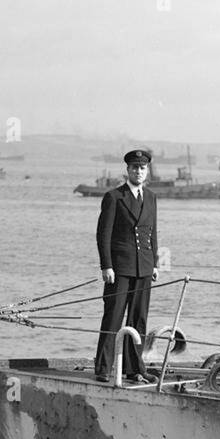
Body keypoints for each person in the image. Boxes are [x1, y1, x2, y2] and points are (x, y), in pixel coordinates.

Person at [94, 148, 159, 383]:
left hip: (143, 267)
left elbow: (152, 232)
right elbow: (104, 235)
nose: (138, 172)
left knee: (138, 318)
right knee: (113, 317)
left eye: (142, 168)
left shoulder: (150, 197)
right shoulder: (114, 197)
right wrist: (106, 266)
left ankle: (134, 368)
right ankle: (103, 368)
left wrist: (155, 263)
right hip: (119, 269)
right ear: (127, 170)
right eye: (134, 168)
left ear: (147, 171)